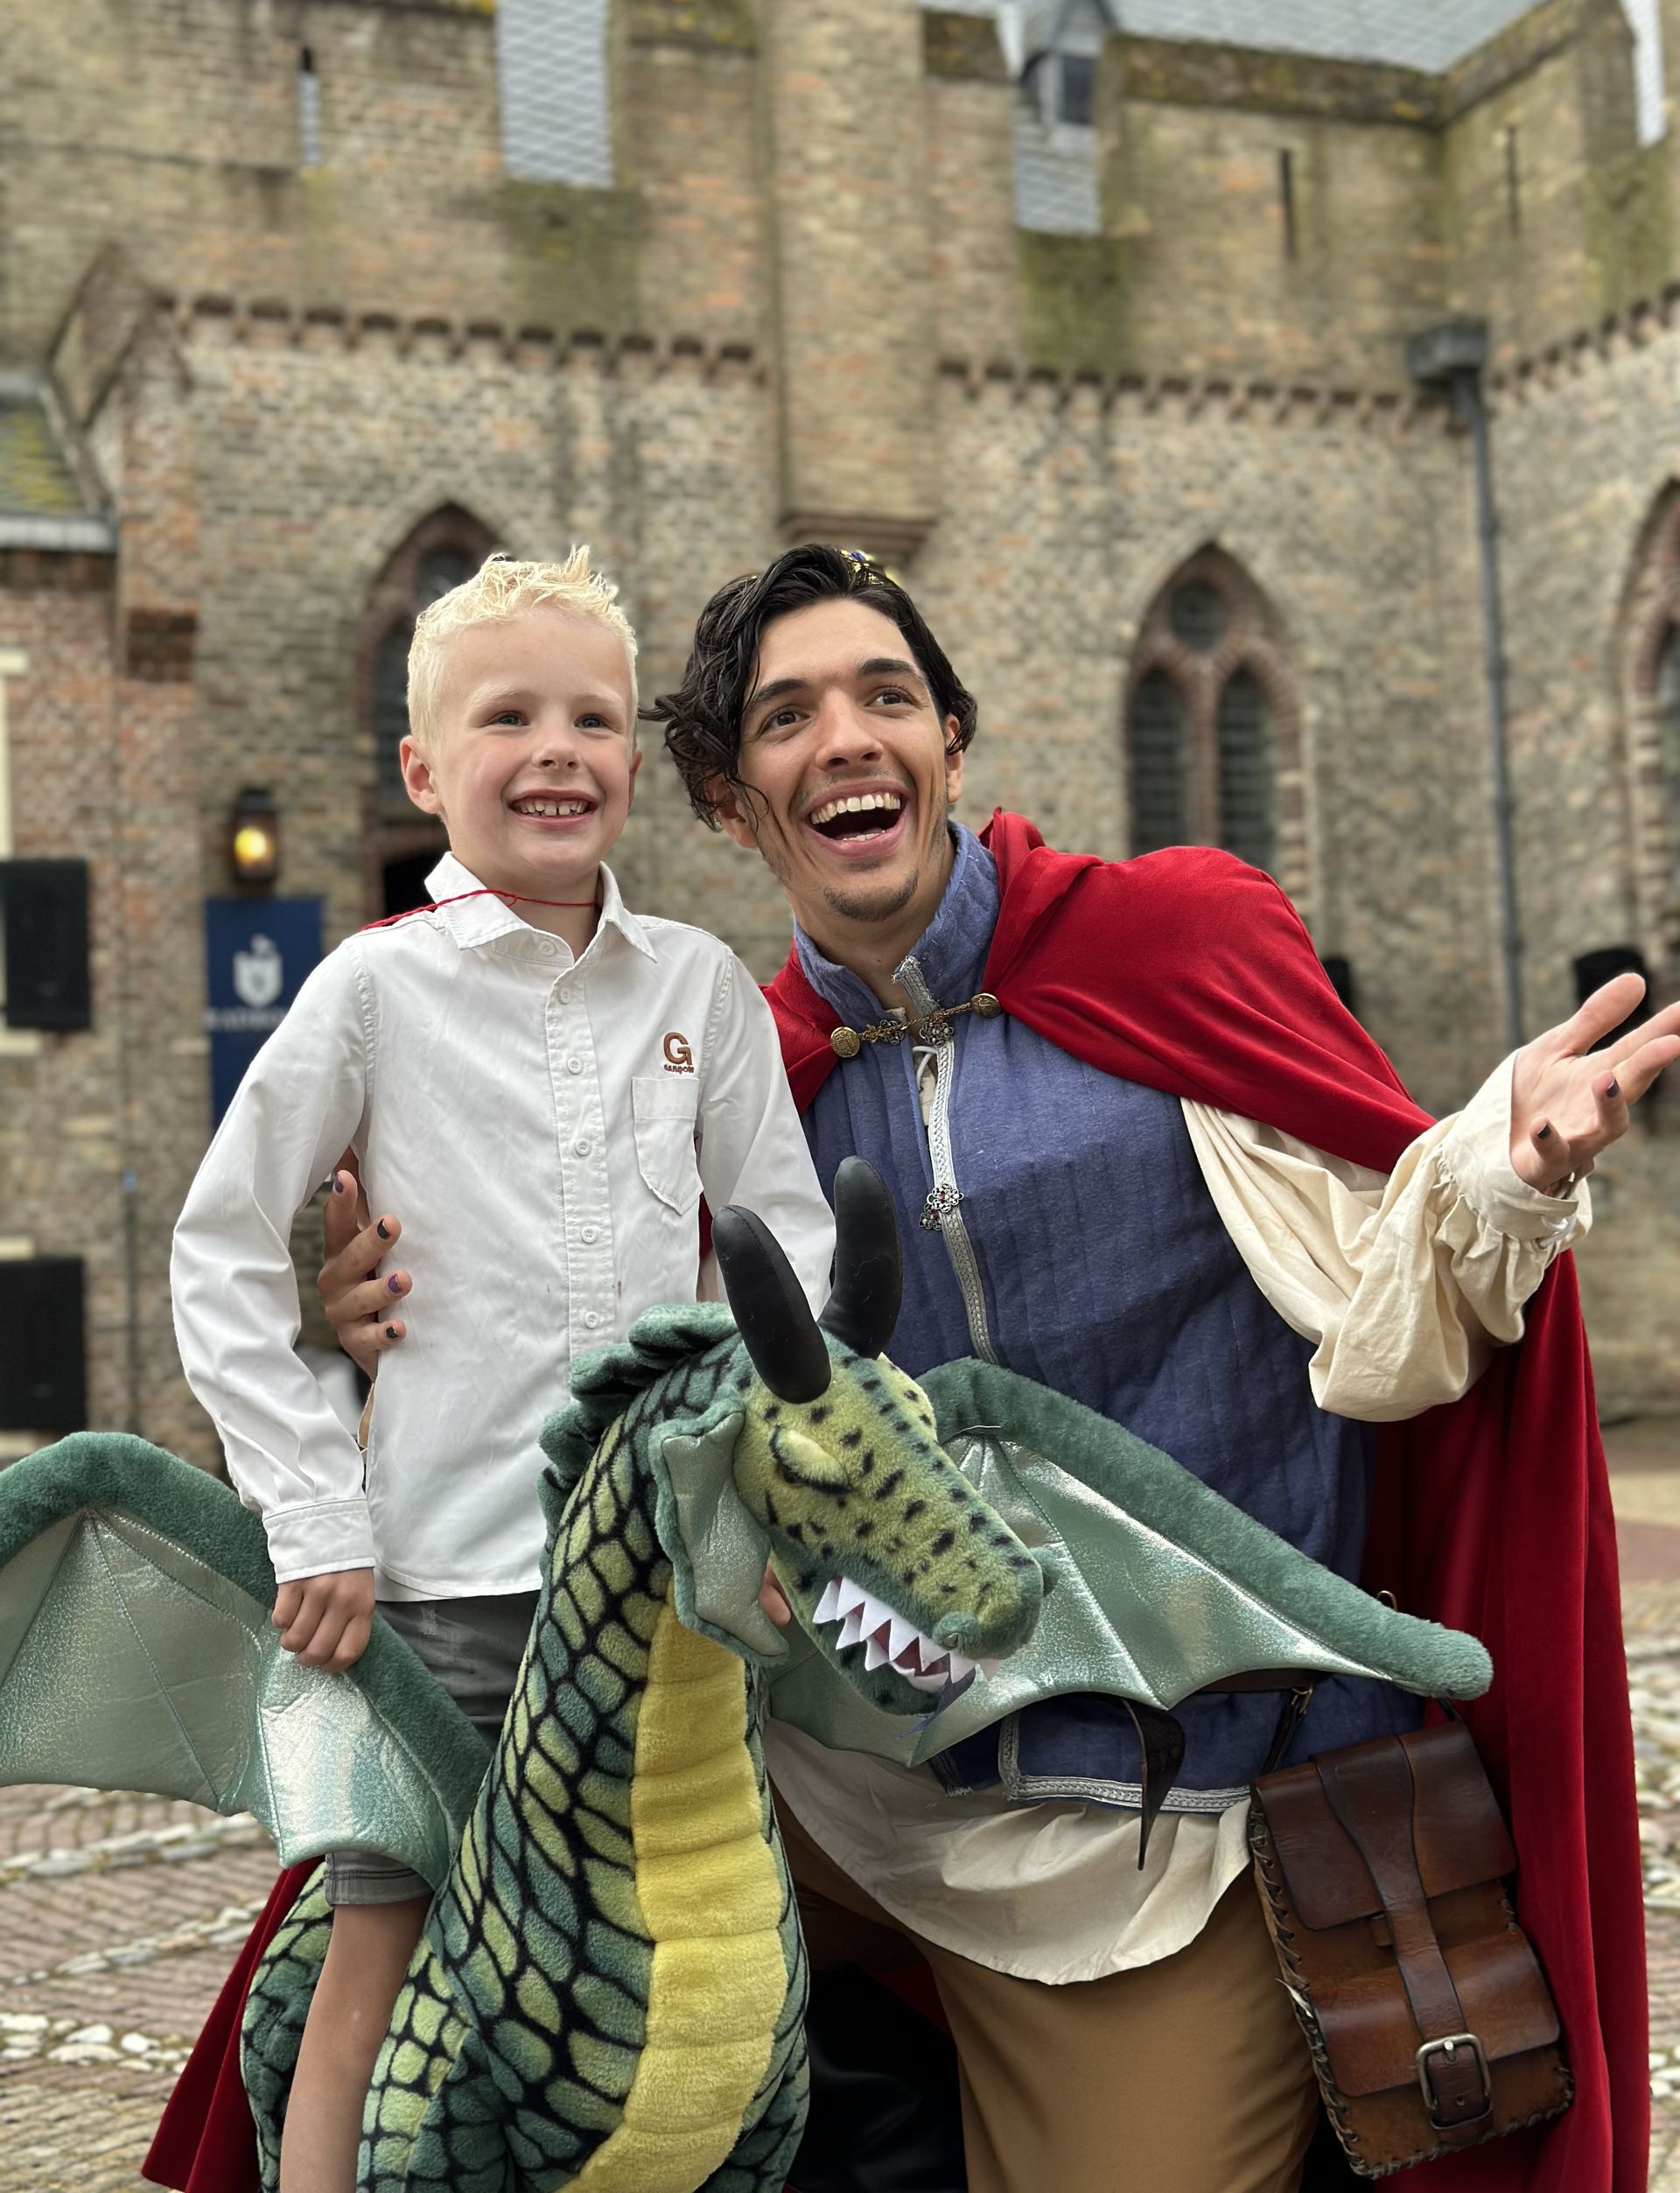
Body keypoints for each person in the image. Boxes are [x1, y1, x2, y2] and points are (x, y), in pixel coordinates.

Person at [316, 543, 1661, 2193]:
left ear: (953, 739)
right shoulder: (732, 1072)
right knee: (472, 1986)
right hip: (846, 1792)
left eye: (889, 696)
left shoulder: (1179, 941)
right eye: (789, 716)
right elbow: (603, 1363)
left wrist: (1497, 1175)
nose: (849, 739)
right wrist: (373, 1290)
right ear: (734, 804)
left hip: (1169, 1822)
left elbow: (1393, 1309)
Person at [168, 550, 832, 2193]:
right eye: (509, 715)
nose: (558, 749)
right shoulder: (370, 990)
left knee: (659, 1975)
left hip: (663, 1598)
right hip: (437, 1581)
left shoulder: (699, 992)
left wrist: (773, 1479)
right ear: (420, 768)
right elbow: (225, 1246)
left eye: (594, 717)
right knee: (375, 1967)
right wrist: (316, 1510)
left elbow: (790, 1258)